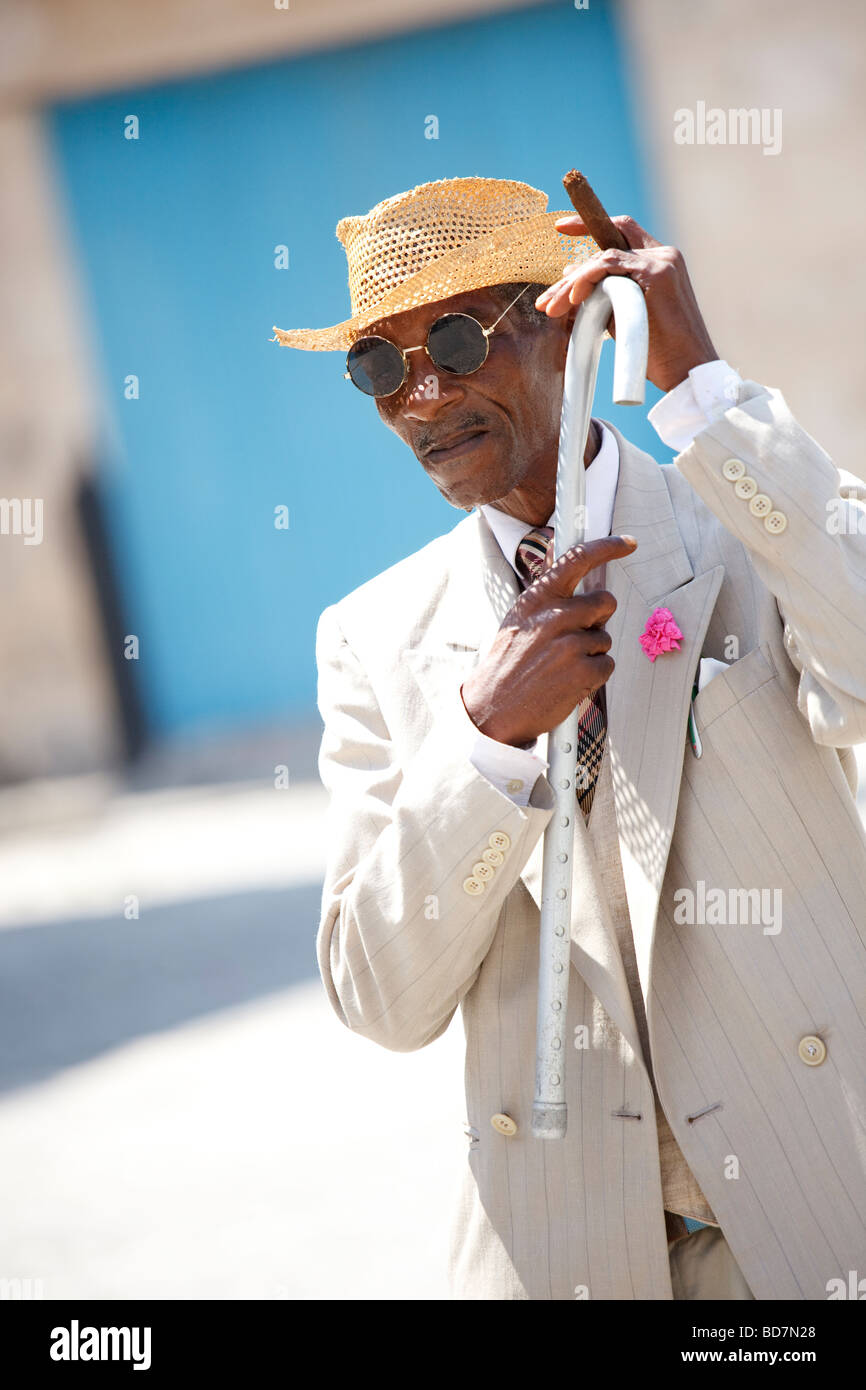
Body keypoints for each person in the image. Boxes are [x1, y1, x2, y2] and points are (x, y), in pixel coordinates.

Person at [272, 176, 866, 1300]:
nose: (421, 395)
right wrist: (485, 739)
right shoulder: (370, 641)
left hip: (814, 1215)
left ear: (568, 326)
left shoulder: (744, 522)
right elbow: (381, 1001)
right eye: (376, 366)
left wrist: (701, 391)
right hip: (564, 1259)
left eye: (452, 336)